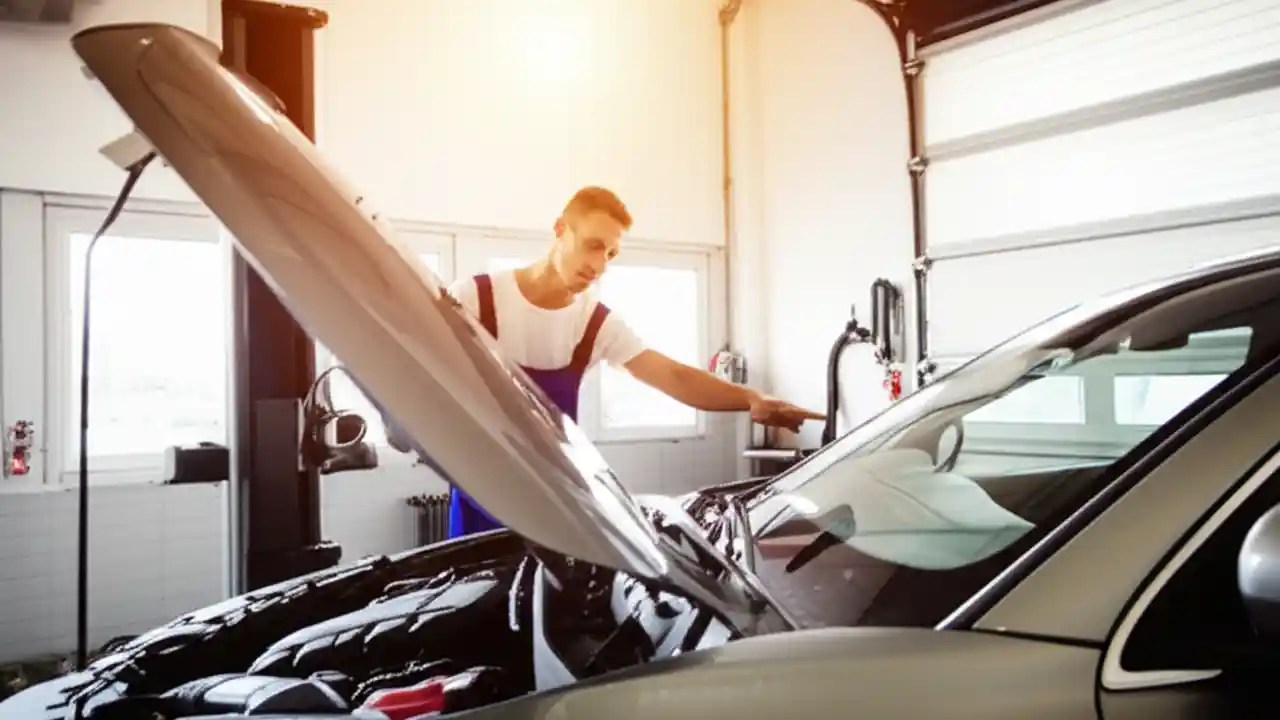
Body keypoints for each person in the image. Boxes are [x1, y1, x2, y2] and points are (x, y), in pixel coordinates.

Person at [439, 186, 824, 539]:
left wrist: (750, 398)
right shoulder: (474, 297)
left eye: (610, 254)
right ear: (560, 228)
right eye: (592, 245)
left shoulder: (594, 322)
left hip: (554, 501)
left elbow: (671, 375)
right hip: (480, 497)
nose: (599, 265)